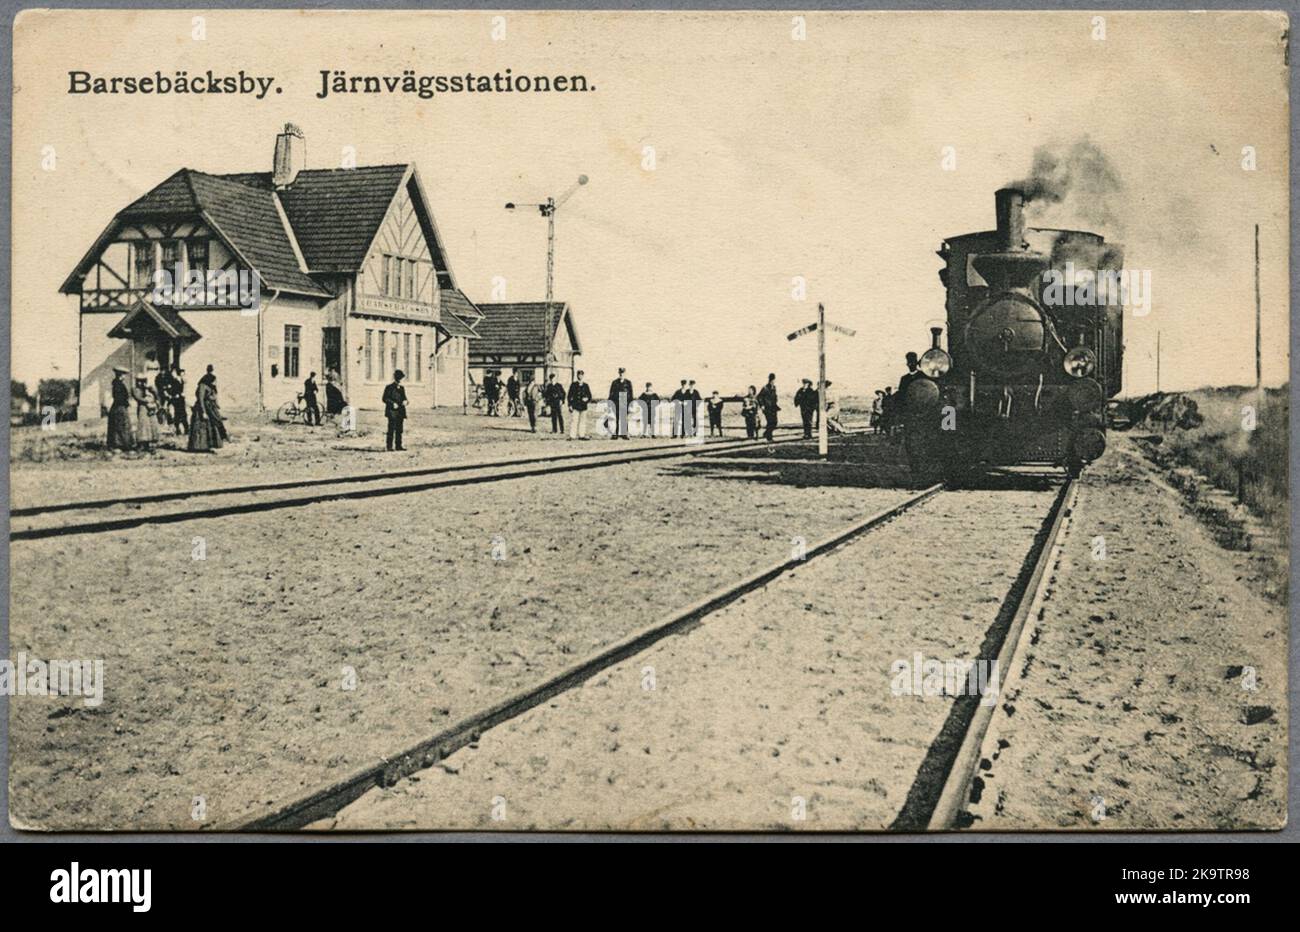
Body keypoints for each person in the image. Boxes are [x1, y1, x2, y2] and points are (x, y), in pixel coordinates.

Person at [187, 369, 225, 452]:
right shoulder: (202, 386)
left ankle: (208, 446)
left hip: (209, 408)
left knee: (211, 427)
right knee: (201, 427)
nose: (215, 382)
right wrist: (203, 412)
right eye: (214, 381)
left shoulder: (210, 387)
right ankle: (198, 447)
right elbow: (201, 399)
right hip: (201, 409)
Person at [106, 366, 134, 451]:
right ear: (120, 375)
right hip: (119, 407)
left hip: (121, 406)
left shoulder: (119, 384)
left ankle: (124, 445)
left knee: (123, 425)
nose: (124, 376)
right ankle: (118, 445)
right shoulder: (117, 384)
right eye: (123, 374)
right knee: (119, 426)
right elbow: (118, 397)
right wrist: (126, 402)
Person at [131, 375, 160, 451]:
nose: (141, 383)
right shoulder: (135, 389)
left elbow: (156, 396)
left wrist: (153, 391)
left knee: (150, 425)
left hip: (150, 409)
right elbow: (138, 398)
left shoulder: (148, 389)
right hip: (142, 408)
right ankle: (142, 443)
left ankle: (149, 443)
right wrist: (147, 401)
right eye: (139, 381)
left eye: (143, 381)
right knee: (143, 425)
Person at [382, 369, 408, 451]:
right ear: (396, 378)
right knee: (391, 429)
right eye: (399, 378)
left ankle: (398, 446)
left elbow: (405, 398)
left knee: (399, 429)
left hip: (400, 411)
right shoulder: (389, 387)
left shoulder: (402, 388)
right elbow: (384, 398)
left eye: (401, 378)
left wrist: (406, 401)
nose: (400, 380)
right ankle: (389, 446)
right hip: (392, 412)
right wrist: (392, 403)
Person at [607, 367, 634, 439]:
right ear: (619, 373)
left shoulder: (628, 383)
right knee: (617, 418)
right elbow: (611, 393)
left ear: (625, 373)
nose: (622, 374)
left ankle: (624, 434)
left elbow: (631, 395)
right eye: (620, 373)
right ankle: (615, 433)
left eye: (623, 373)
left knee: (624, 419)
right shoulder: (615, 382)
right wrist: (610, 403)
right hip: (616, 402)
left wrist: (631, 405)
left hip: (625, 402)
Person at [567, 370, 593, 440]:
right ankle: (572, 436)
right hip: (575, 406)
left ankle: (582, 435)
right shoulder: (573, 385)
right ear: (577, 376)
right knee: (574, 421)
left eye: (581, 375)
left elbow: (590, 396)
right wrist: (570, 405)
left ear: (583, 376)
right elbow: (569, 396)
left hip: (583, 406)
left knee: (582, 421)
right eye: (579, 375)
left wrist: (586, 399)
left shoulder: (586, 385)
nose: (580, 376)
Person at [757, 373, 780, 442]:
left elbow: (774, 396)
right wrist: (762, 405)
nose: (773, 381)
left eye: (774, 380)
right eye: (772, 380)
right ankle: (769, 437)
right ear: (769, 380)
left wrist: (776, 401)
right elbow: (759, 397)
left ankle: (766, 433)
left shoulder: (774, 388)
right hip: (767, 408)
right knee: (770, 422)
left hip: (773, 408)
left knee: (775, 422)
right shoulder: (765, 388)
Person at [169, 365, 189, 435]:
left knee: (183, 414)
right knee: (177, 414)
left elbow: (183, 387)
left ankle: (186, 429)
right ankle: (177, 429)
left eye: (174, 372)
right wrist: (174, 394)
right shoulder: (173, 380)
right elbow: (171, 390)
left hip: (181, 399)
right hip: (176, 399)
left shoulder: (180, 380)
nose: (173, 373)